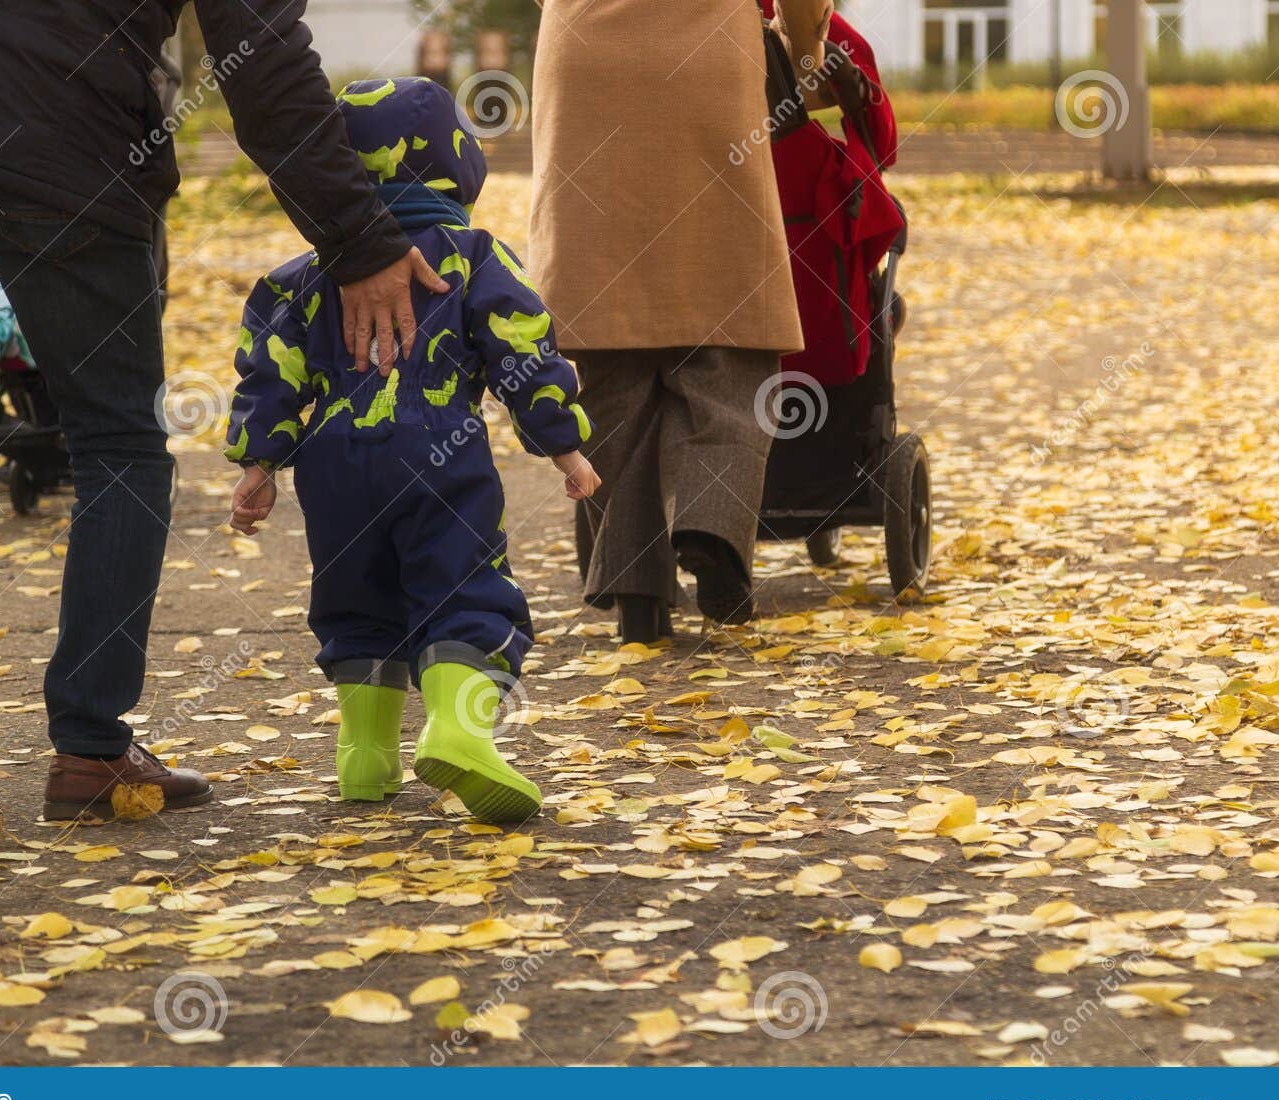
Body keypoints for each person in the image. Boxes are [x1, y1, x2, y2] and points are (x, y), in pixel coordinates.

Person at [0, 1, 448, 820]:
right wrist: (361, 241)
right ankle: (90, 748)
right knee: (118, 440)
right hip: (58, 131)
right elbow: (261, 56)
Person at [225, 78, 598, 825]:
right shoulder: (472, 257)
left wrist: (258, 463)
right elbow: (523, 349)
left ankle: (364, 756)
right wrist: (565, 446)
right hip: (439, 454)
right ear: (460, 167)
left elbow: (268, 370)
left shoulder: (298, 279)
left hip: (332, 468)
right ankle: (457, 731)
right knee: (465, 590)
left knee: (356, 598)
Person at [531, 0, 827, 643]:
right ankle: (711, 530)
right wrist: (804, 60)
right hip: (708, 56)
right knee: (728, 333)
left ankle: (637, 587)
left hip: (583, 57)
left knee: (608, 338)